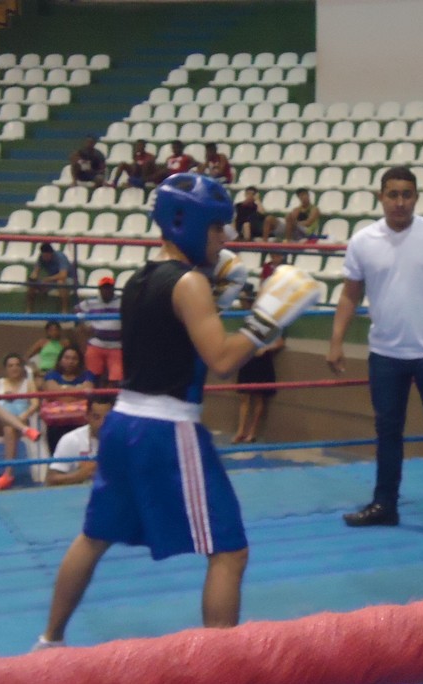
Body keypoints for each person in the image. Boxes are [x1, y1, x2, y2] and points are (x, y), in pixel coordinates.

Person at [34, 173, 320, 651]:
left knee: (93, 537)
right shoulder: (188, 284)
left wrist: (217, 294)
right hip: (167, 428)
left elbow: (174, 339)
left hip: (123, 422)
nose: (225, 238)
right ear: (188, 224)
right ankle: (221, 683)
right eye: (216, 229)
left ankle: (49, 642)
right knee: (229, 550)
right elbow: (224, 361)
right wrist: (266, 320)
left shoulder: (138, 280)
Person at [327, 166, 423, 539]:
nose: (400, 202)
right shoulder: (363, 240)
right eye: (393, 194)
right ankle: (385, 505)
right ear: (380, 196)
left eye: (407, 194)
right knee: (387, 432)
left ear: (416, 197)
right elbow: (351, 292)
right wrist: (336, 340)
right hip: (385, 353)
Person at [0, 352, 41, 491]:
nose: (14, 368)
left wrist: (24, 416)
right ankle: (25, 430)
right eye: (10, 366)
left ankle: (8, 475)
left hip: (17, 422)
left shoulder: (29, 384)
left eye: (17, 365)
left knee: (9, 427)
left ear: (22, 367)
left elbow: (35, 404)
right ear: (6, 369)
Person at [232, 289, 284, 444]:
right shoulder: (250, 318)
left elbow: (280, 342)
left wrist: (266, 349)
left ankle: (252, 432)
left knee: (259, 397)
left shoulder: (275, 321)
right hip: (248, 359)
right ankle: (240, 430)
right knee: (244, 396)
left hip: (262, 360)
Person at [45, 394, 114, 486]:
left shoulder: (124, 440)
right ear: (87, 416)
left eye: (107, 418)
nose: (101, 423)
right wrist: (80, 475)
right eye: (96, 417)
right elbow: (51, 480)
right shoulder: (71, 440)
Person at [40, 346, 96, 453]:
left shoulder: (87, 375)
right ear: (60, 359)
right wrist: (77, 391)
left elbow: (88, 392)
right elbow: (52, 392)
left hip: (81, 424)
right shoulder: (52, 374)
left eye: (74, 358)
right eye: (67, 358)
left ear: (79, 361)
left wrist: (62, 391)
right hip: (56, 425)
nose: (70, 361)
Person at [75, 276, 123, 387]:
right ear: (100, 289)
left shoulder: (122, 301)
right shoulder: (91, 301)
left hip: (116, 345)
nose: (107, 290)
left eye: (109, 287)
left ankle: (112, 402)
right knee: (92, 376)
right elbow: (77, 309)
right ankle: (92, 402)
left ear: (113, 289)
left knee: (116, 379)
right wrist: (84, 324)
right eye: (104, 288)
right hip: (96, 343)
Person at [26, 243, 74, 314]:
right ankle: (29, 311)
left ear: (51, 253)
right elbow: (35, 272)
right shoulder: (41, 257)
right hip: (51, 280)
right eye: (44, 255)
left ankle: (64, 311)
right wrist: (33, 278)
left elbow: (63, 275)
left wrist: (48, 279)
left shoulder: (60, 257)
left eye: (47, 255)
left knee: (60, 282)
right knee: (32, 285)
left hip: (68, 280)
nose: (45, 257)